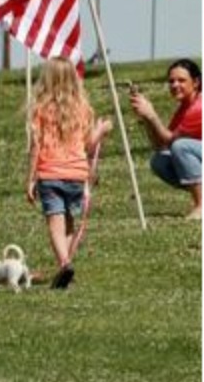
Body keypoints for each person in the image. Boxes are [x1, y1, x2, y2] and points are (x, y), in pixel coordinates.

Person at [24, 59, 111, 289]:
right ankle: (66, 267)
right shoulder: (82, 109)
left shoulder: (40, 109)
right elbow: (89, 145)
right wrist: (101, 130)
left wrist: (30, 178)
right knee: (69, 222)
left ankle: (64, 263)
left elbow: (36, 147)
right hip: (76, 174)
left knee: (55, 220)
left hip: (50, 173)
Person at [128, 58, 202, 220]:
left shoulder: (198, 108)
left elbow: (172, 142)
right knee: (159, 161)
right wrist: (146, 118)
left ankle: (201, 205)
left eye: (181, 80)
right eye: (171, 81)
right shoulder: (184, 107)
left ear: (196, 82)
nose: (175, 85)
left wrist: (152, 115)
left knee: (181, 147)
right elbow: (160, 146)